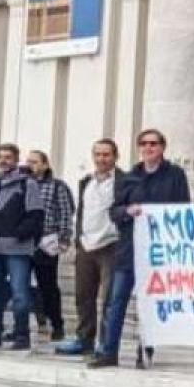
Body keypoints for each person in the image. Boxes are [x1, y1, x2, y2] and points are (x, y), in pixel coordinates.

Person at [89, 129, 191, 368]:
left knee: (150, 304)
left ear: (162, 147)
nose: (148, 147)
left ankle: (144, 352)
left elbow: (183, 210)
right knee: (116, 302)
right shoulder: (129, 177)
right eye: (143, 143)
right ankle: (108, 352)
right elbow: (114, 211)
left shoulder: (175, 175)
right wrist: (127, 211)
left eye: (153, 143)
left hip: (159, 251)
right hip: (129, 250)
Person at [0, 144, 45, 350]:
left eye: (8, 157)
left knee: (20, 291)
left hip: (17, 248)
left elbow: (36, 214)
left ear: (16, 160)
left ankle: (22, 335)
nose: (4, 161)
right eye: (1, 157)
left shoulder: (27, 184)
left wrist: (18, 233)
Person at [57, 139, 125, 356]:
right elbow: (82, 212)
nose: (101, 159)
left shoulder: (124, 181)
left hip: (111, 244)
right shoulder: (86, 181)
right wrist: (78, 239)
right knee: (83, 295)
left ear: (115, 156)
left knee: (108, 298)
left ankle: (106, 342)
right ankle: (84, 338)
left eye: (106, 154)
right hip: (86, 245)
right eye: (98, 154)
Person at [27, 150, 75, 342]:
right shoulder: (23, 184)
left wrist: (64, 238)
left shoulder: (57, 186)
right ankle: (38, 321)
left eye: (35, 162)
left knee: (48, 285)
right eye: (28, 161)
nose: (30, 165)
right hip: (25, 241)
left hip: (47, 241)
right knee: (24, 284)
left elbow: (65, 212)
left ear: (45, 164)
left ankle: (57, 324)